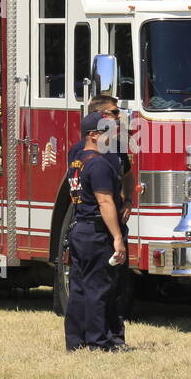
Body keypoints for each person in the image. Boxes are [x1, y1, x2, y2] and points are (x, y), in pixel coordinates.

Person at [64, 111, 128, 351]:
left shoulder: (78, 159)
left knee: (79, 287)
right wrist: (117, 238)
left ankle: (75, 341)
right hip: (96, 231)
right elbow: (105, 202)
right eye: (108, 131)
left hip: (80, 228)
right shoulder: (99, 163)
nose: (114, 135)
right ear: (93, 135)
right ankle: (98, 342)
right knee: (98, 288)